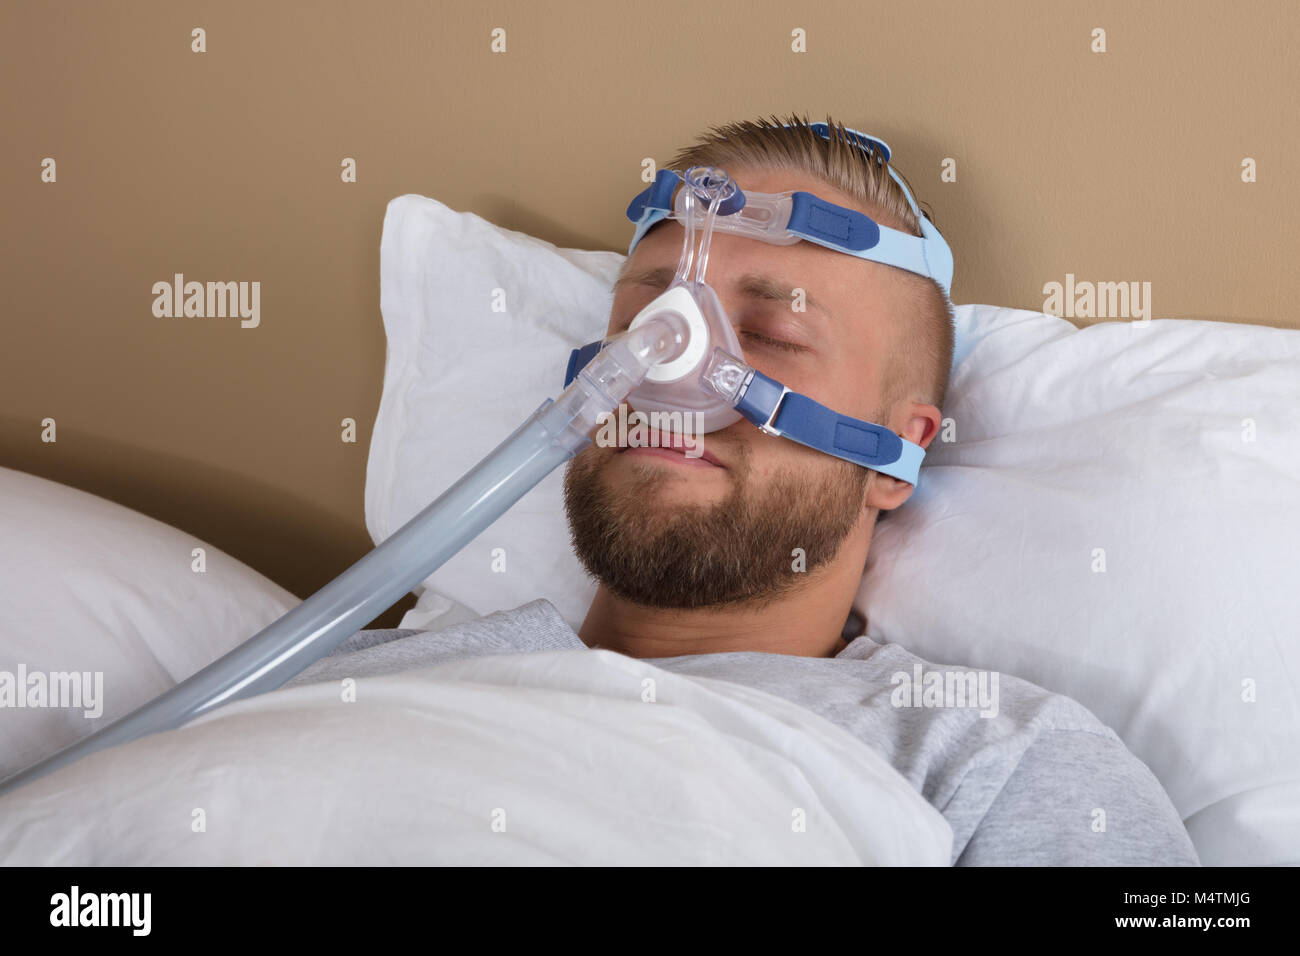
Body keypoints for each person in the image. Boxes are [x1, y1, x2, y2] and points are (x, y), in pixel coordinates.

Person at [288, 114, 1199, 866]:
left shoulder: (993, 757)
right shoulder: (347, 679)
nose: (670, 375)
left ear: (892, 455)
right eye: (651, 324)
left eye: (769, 333)